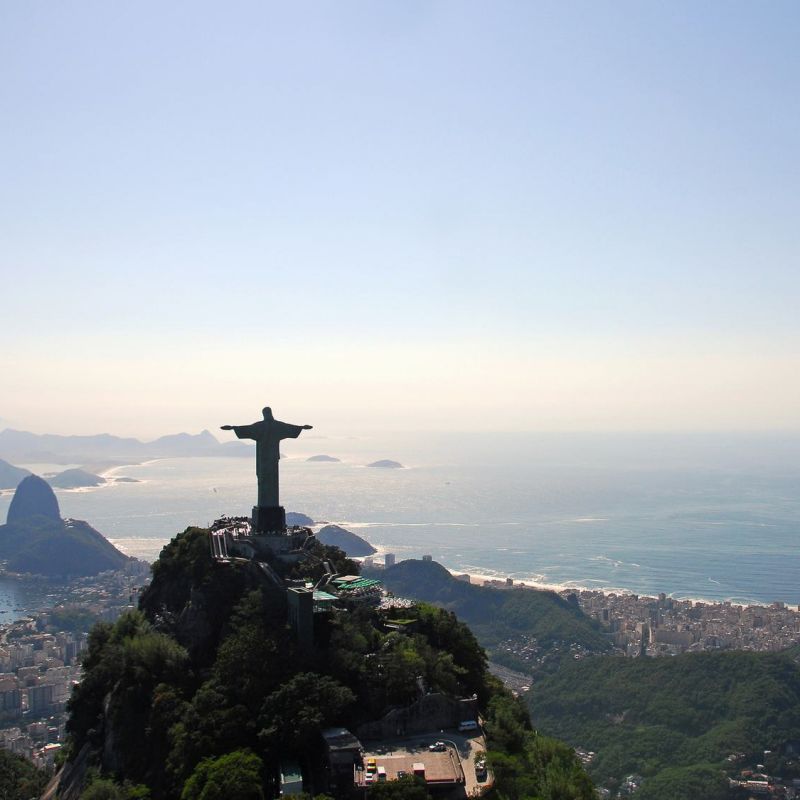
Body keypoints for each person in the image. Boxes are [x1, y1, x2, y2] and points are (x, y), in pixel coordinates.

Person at [221, 407, 312, 507]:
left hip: (263, 458)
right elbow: (290, 428)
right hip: (272, 458)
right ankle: (271, 504)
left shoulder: (260, 426)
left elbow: (247, 429)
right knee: (271, 480)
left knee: (264, 479)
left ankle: (265, 504)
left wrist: (234, 428)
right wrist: (301, 427)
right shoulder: (277, 426)